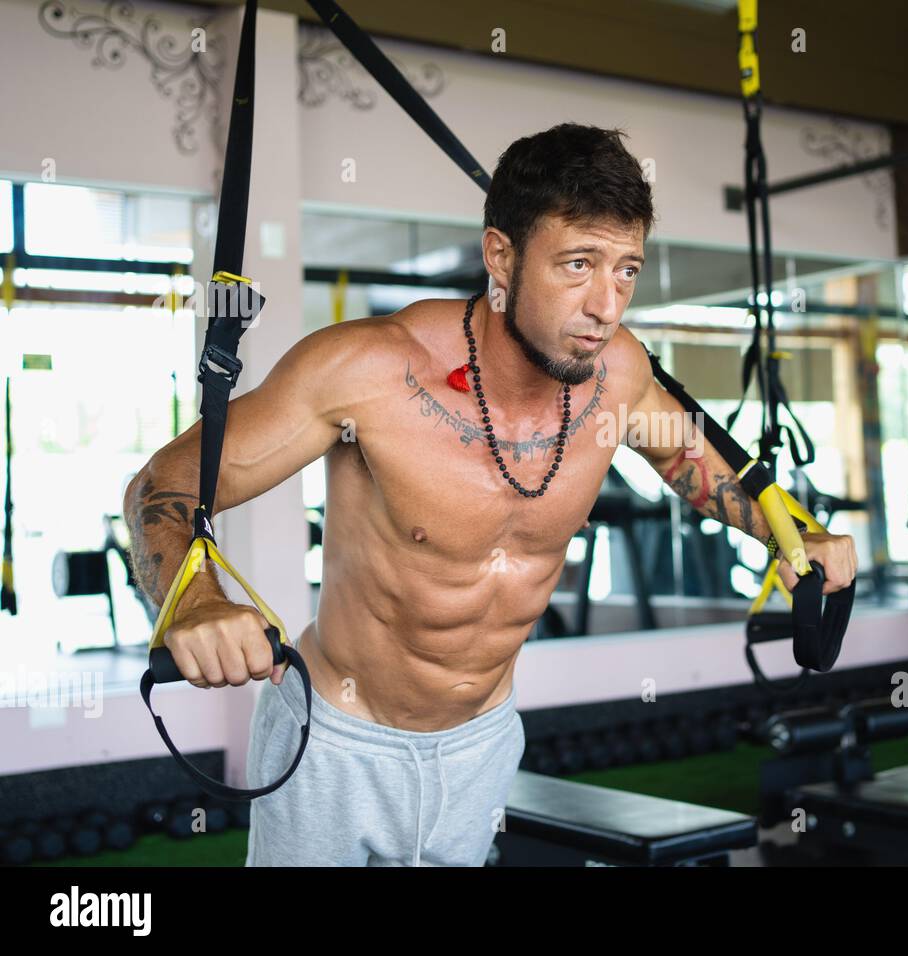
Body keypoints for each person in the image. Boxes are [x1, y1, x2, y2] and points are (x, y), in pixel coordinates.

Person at [123, 123, 858, 866]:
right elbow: (163, 484)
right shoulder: (368, 372)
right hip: (337, 742)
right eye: (578, 264)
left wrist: (790, 532)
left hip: (482, 742)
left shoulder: (619, 373)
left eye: (627, 270)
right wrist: (195, 600)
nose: (607, 305)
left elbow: (685, 457)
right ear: (500, 256)